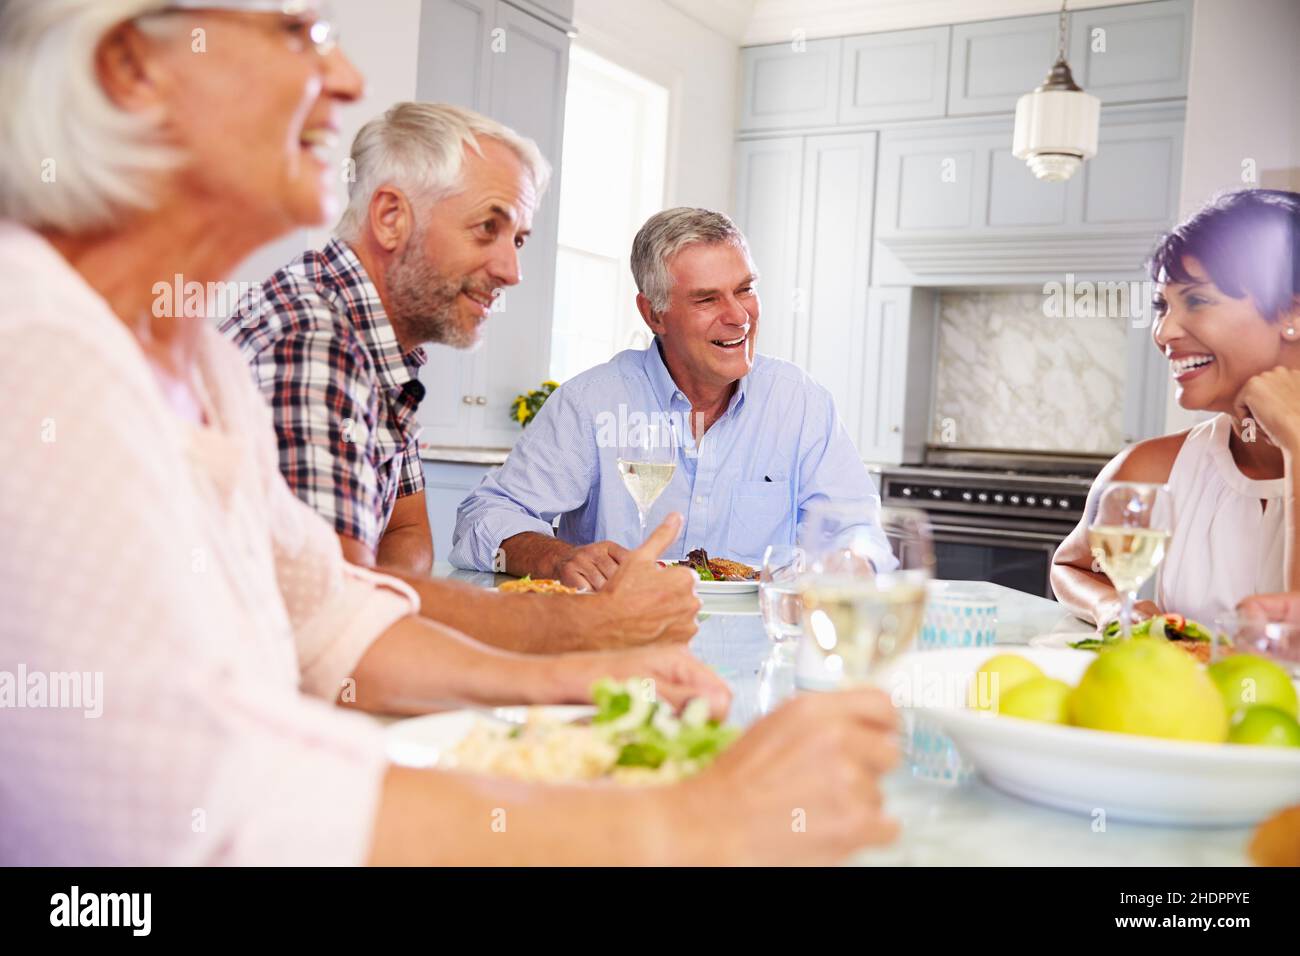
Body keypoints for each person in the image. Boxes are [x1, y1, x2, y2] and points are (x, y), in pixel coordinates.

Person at [0, 0, 901, 866]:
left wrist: (585, 675)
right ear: (132, 67)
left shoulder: (202, 362)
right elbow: (187, 810)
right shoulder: (43, 353)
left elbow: (332, 614)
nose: (347, 74)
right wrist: (686, 826)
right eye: (297, 30)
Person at [451, 207, 895, 590]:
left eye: (745, 289)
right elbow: (482, 519)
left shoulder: (800, 403)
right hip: (618, 650)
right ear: (653, 314)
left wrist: (851, 561)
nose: (739, 316)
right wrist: (557, 558)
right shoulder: (592, 403)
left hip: (759, 653)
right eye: (707, 299)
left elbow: (859, 529)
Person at [222, 102, 543, 577]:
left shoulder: (383, 347)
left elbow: (405, 533)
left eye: (517, 240)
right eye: (486, 228)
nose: (511, 273)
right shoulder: (312, 339)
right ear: (391, 217)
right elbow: (332, 612)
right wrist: (581, 620)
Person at [1051, 190, 1300, 629]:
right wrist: (1111, 608)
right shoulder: (1154, 467)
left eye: (1197, 300)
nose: (1163, 332)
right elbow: (1071, 568)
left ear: (1290, 312)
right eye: (1161, 306)